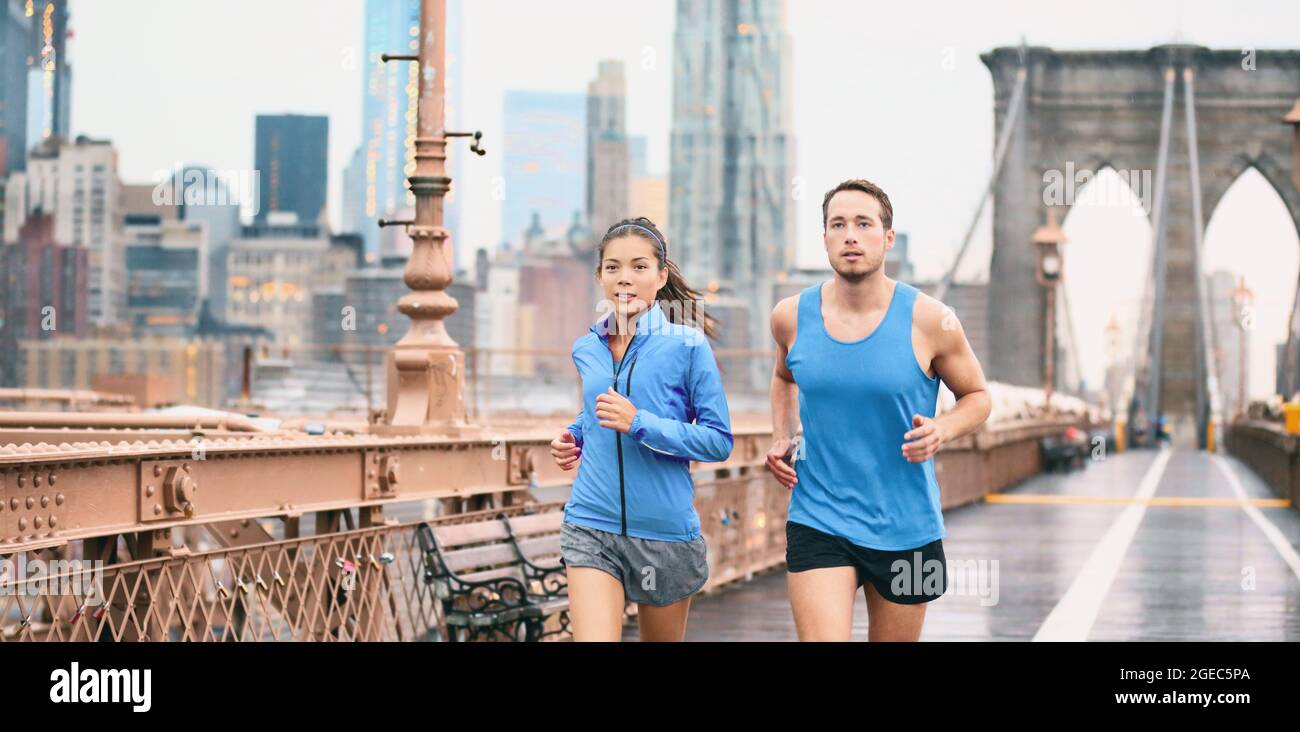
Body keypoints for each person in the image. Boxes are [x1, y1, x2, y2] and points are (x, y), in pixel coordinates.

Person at [766, 179, 992, 641]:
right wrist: (781, 435)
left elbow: (978, 397)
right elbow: (784, 377)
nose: (851, 235)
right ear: (825, 238)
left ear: (888, 238)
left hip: (908, 526)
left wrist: (942, 430)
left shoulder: (931, 319)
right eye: (838, 224)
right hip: (818, 517)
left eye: (864, 224)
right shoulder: (790, 317)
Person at [549, 216, 734, 642]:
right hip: (590, 525)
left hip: (663, 534)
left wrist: (640, 424)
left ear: (660, 275)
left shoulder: (687, 346)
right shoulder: (586, 347)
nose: (624, 278)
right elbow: (595, 412)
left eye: (638, 266)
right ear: (599, 277)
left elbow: (718, 440)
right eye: (612, 268)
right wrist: (573, 436)